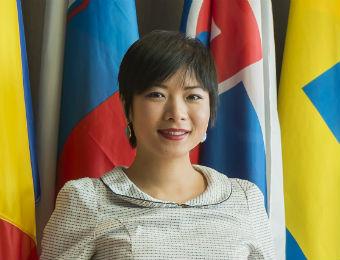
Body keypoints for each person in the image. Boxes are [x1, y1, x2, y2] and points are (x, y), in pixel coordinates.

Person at [40, 30, 275, 259]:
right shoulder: (84, 200)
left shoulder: (245, 198)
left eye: (193, 97)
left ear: (211, 105)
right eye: (156, 94)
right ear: (127, 106)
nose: (176, 113)